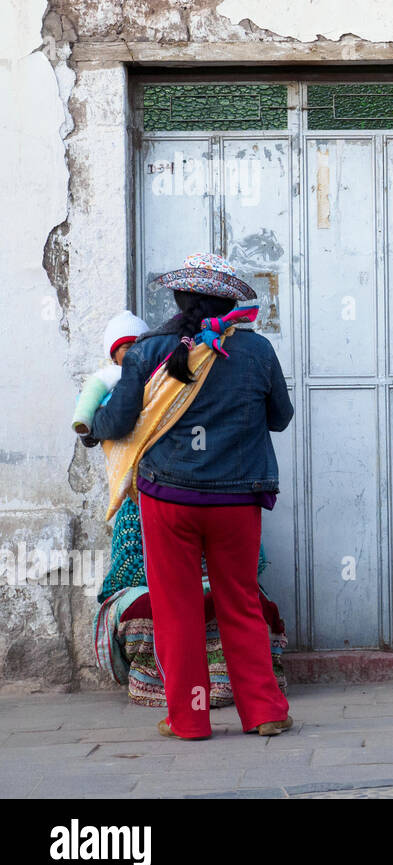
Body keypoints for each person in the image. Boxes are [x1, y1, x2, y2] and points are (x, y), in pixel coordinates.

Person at [92, 253, 293, 740]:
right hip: (236, 502)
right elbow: (280, 418)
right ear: (228, 302)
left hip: (168, 500)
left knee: (176, 607)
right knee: (240, 602)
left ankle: (189, 718)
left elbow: (117, 422)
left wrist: (89, 427)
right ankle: (265, 712)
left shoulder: (146, 350)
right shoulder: (258, 352)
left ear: (179, 299)